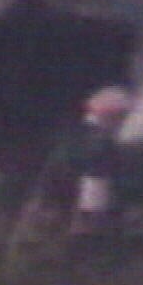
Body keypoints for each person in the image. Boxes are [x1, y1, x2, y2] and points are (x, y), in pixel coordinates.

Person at [59, 86, 133, 259]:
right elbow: (88, 159)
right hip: (93, 187)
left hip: (97, 188)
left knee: (96, 224)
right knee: (93, 226)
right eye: (119, 114)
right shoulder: (91, 134)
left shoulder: (92, 132)